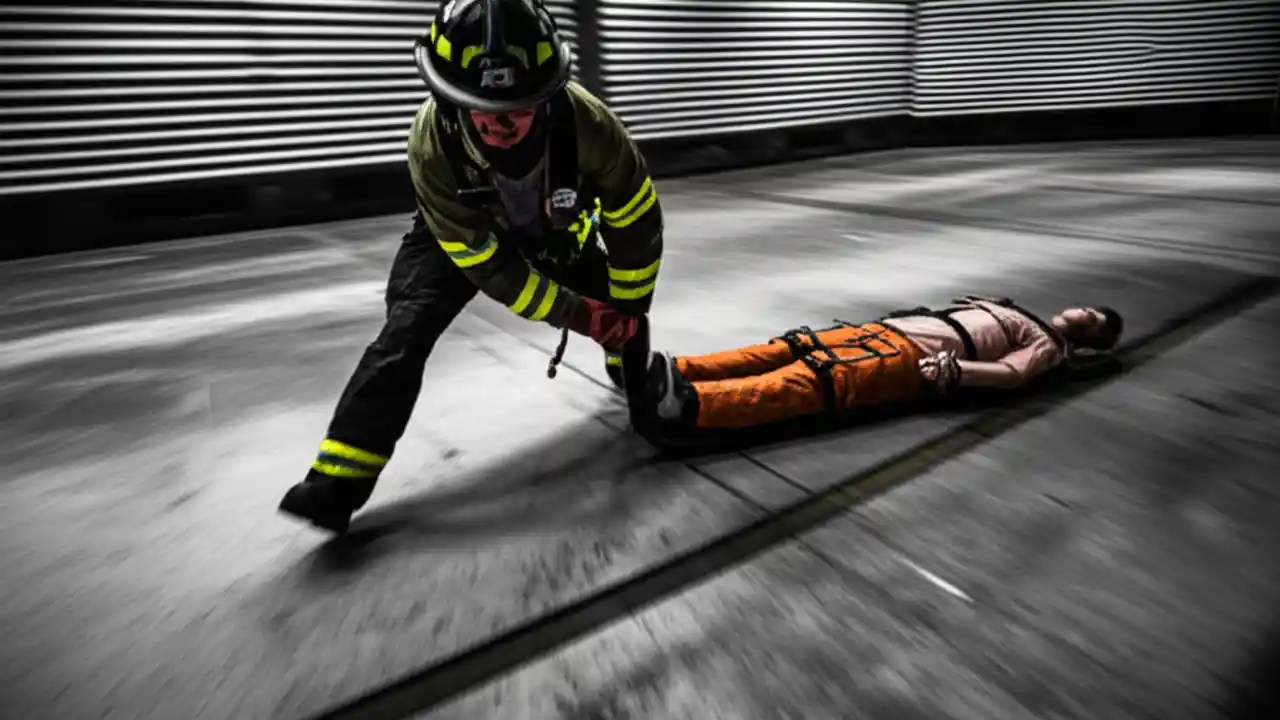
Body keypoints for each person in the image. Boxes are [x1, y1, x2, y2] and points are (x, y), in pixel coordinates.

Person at [279, 0, 664, 534]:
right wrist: (576, 314)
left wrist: (626, 311)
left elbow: (636, 223)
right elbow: (489, 266)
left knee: (622, 310)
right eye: (479, 109)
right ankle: (336, 483)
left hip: (553, 233)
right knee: (405, 331)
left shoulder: (589, 126)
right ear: (447, 98)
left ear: (547, 97)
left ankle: (634, 376)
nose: (500, 125)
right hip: (458, 234)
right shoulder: (431, 144)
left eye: (517, 109)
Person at [642, 295, 1124, 436]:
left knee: (810, 382)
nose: (1083, 313)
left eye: (1092, 320)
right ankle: (681, 368)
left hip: (912, 357)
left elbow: (1013, 374)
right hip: (890, 331)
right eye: (1089, 308)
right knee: (787, 348)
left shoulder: (1047, 345)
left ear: (1090, 339)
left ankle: (693, 404)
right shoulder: (1013, 306)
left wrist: (957, 372)